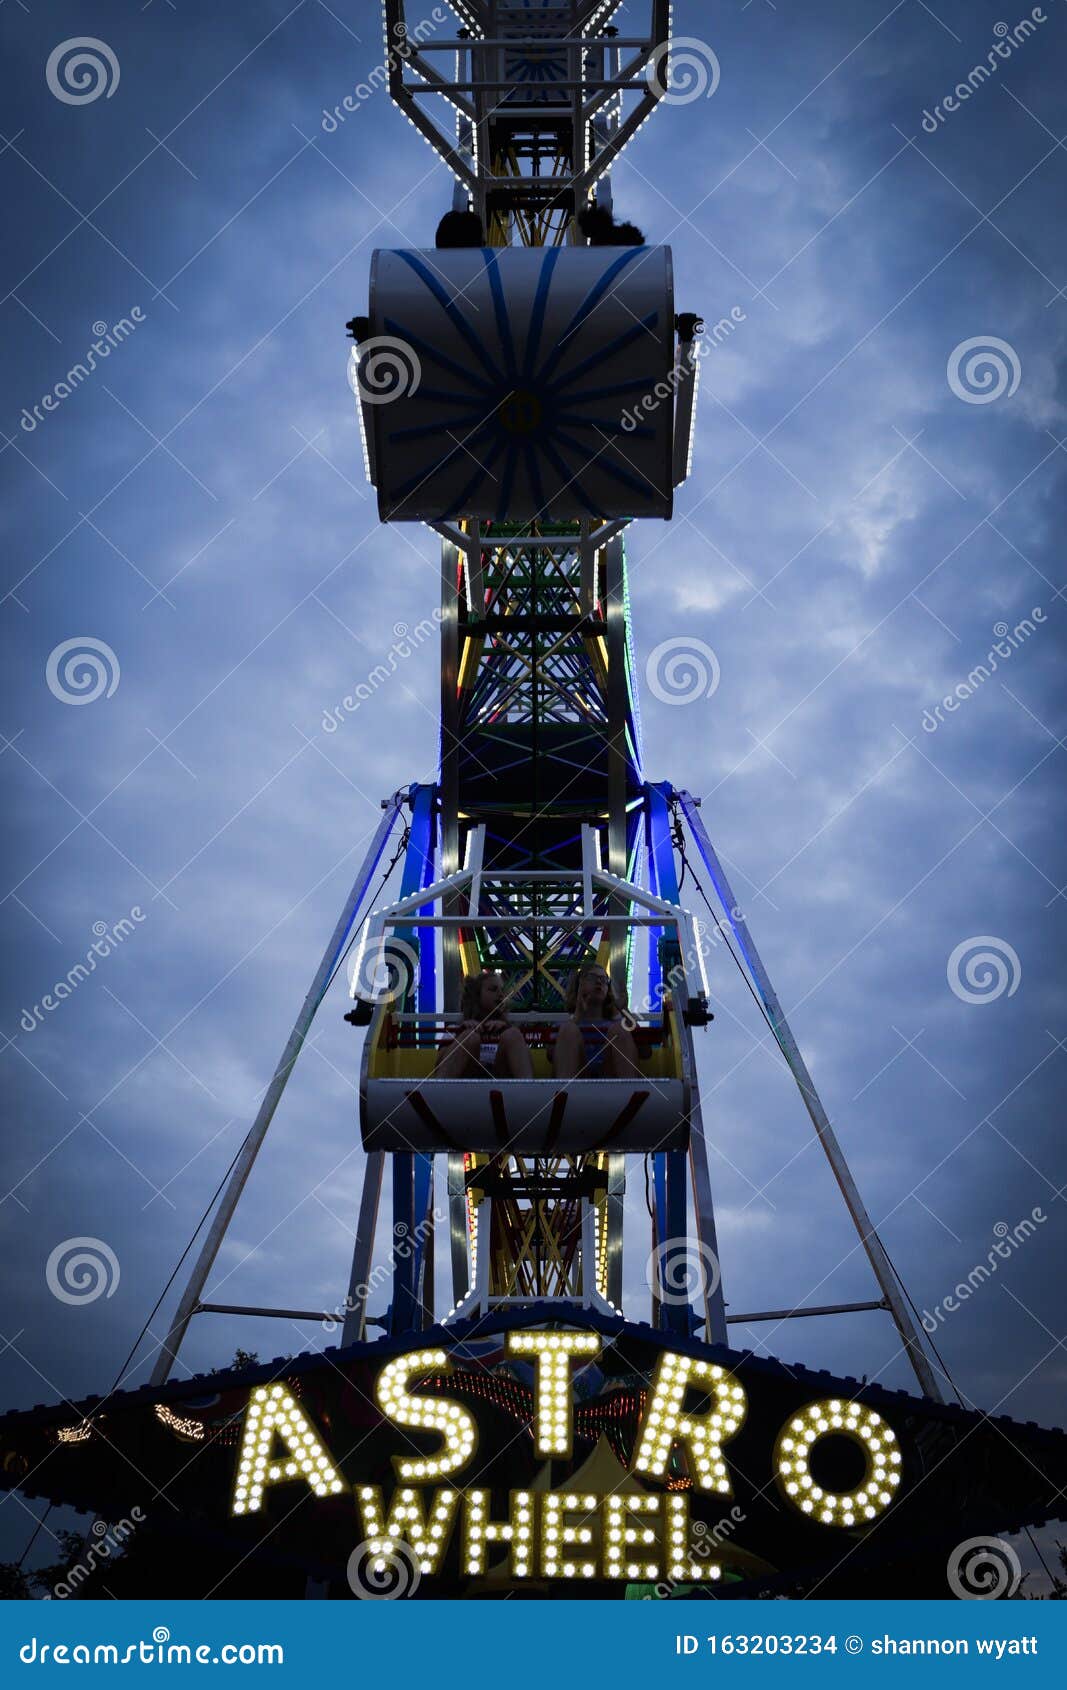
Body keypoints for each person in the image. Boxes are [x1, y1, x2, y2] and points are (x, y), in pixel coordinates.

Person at [434, 970, 533, 1078]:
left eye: (502, 990)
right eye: (493, 989)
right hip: (466, 1083)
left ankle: (526, 1093)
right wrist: (461, 1034)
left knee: (512, 1035)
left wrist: (506, 1029)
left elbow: (528, 1060)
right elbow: (439, 1065)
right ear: (476, 995)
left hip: (501, 1080)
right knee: (470, 1037)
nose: (500, 995)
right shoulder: (456, 1029)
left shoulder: (510, 1031)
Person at [552, 964, 642, 1079]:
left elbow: (645, 1051)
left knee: (619, 1029)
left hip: (610, 1076)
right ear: (578, 984)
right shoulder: (565, 1025)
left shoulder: (618, 1022)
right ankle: (565, 1093)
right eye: (592, 978)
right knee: (569, 1030)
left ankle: (629, 1091)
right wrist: (578, 1014)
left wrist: (624, 1010)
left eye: (604, 980)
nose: (599, 982)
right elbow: (550, 1054)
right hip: (578, 1079)